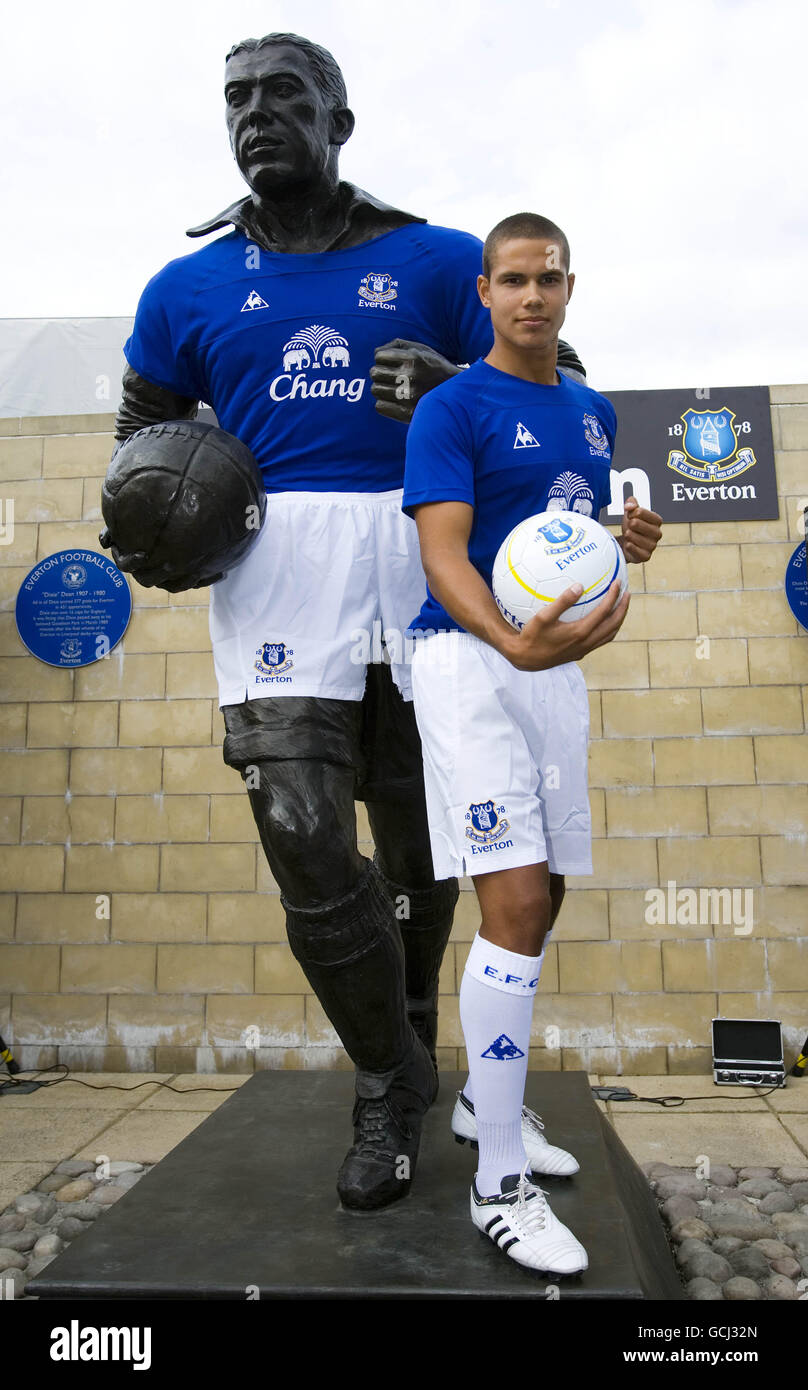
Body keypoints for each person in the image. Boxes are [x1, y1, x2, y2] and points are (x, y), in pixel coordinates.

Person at [108, 30, 588, 1214]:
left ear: (339, 121)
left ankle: (426, 1047)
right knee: (305, 834)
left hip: (425, 548)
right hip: (277, 569)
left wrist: (455, 385)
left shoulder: (434, 259)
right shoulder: (186, 287)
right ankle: (390, 1076)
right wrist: (150, 520)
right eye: (237, 98)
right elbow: (140, 438)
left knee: (427, 856)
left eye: (285, 94)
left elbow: (562, 377)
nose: (256, 113)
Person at [402, 212, 662, 1272]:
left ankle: (478, 1101)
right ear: (483, 291)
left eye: (549, 278)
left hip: (552, 671)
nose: (532, 296)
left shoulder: (592, 409)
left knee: (543, 893)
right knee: (507, 902)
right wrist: (510, 640)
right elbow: (444, 555)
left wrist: (627, 540)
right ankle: (497, 1180)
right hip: (468, 664)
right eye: (512, 279)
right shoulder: (450, 405)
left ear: (569, 287)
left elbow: (576, 536)